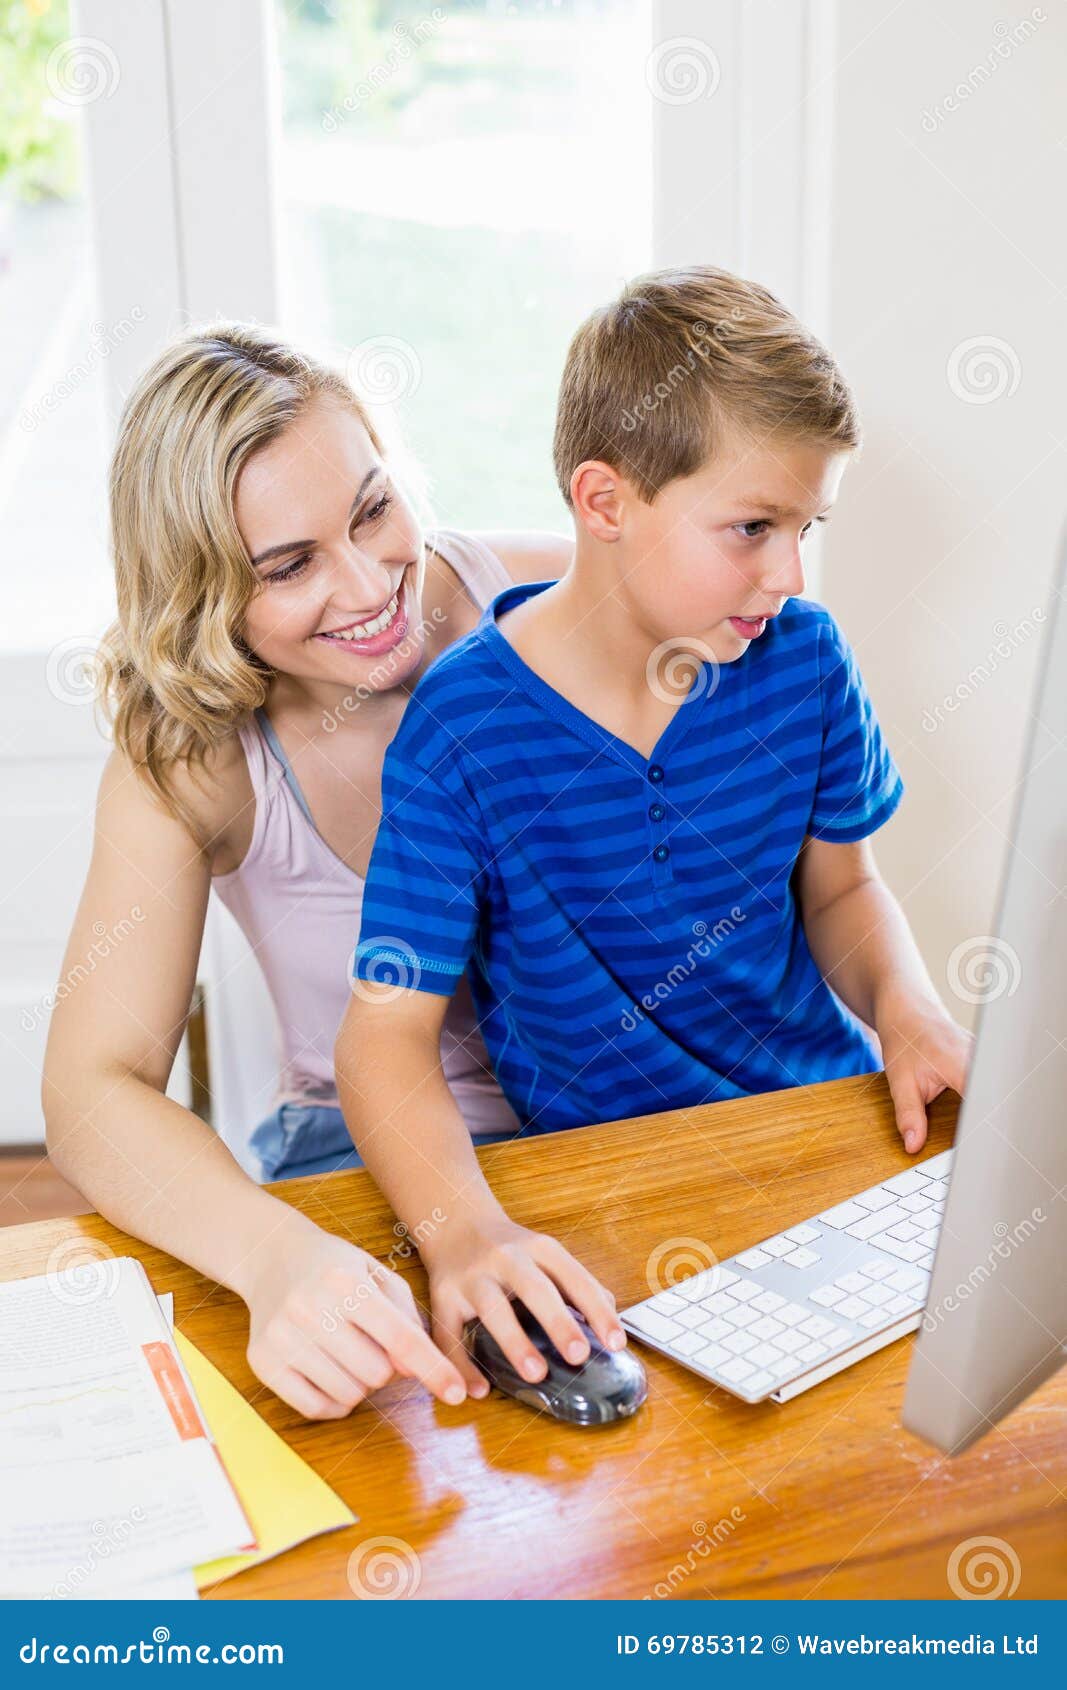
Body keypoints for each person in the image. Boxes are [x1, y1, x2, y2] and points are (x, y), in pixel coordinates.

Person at [337, 266, 972, 1399]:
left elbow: (839, 894)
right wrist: (461, 1234)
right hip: (614, 1183)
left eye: (804, 527)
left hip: (825, 1125)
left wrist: (908, 1010)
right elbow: (384, 1040)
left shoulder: (805, 662)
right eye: (751, 528)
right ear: (604, 500)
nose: (787, 573)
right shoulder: (460, 730)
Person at [42, 323, 570, 1419]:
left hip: (600, 1115)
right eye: (288, 567)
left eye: (373, 509)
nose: (370, 581)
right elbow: (91, 1091)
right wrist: (272, 1256)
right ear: (203, 599)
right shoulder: (191, 755)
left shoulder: (540, 604)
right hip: (352, 1156)